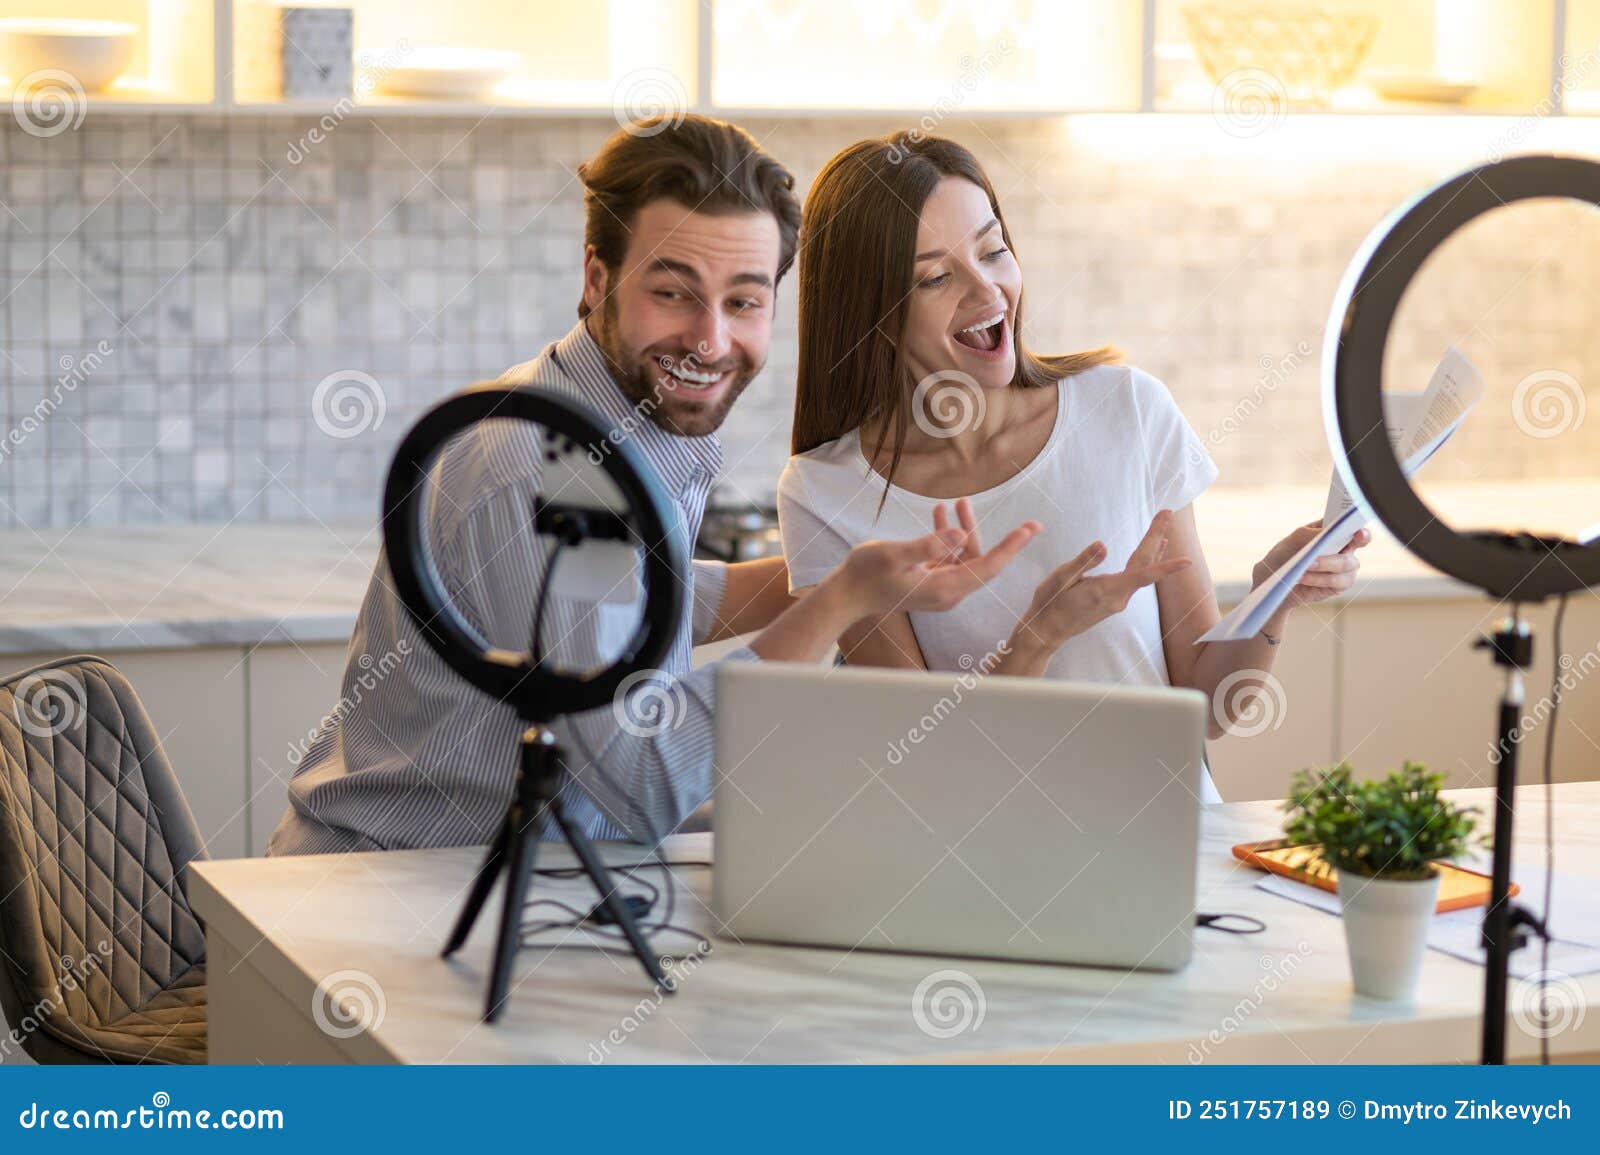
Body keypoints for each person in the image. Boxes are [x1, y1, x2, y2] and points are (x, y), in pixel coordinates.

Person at [269, 117, 1039, 855]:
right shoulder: (553, 471)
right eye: (672, 292)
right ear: (597, 278)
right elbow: (641, 780)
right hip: (396, 894)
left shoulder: (602, 417)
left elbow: (624, 604)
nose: (709, 339)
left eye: (742, 301)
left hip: (508, 877)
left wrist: (848, 572)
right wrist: (840, 604)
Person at [777, 134, 1369, 803]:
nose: (988, 288)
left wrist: (1273, 595)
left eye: (993, 249)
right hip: (989, 871)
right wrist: (1039, 637)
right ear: (871, 313)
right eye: (937, 276)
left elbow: (1205, 705)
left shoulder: (1127, 411)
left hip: (1172, 844)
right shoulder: (826, 494)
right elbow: (932, 768)